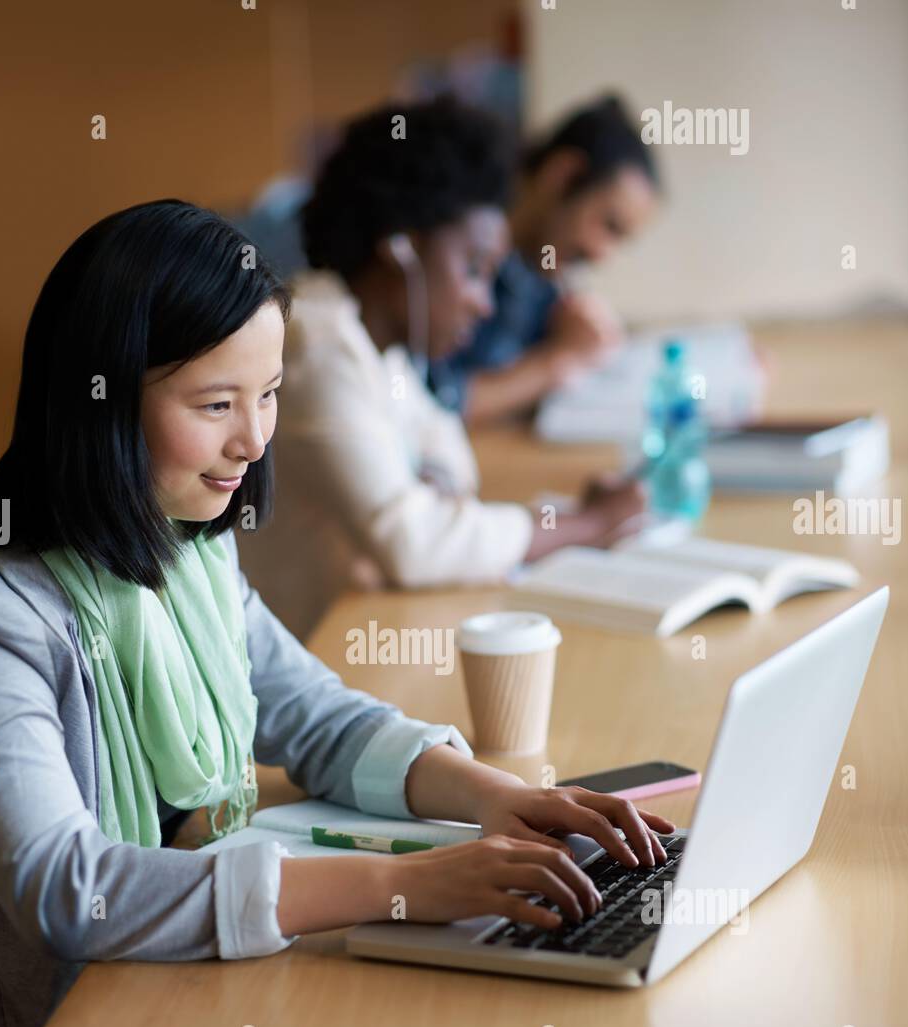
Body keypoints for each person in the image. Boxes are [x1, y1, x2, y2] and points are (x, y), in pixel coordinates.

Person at [0, 199, 673, 1027]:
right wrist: (399, 888)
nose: (255, 440)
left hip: (200, 1016)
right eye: (215, 404)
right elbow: (68, 888)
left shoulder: (185, 552)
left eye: (268, 394)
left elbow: (310, 715)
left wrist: (501, 798)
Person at [235, 97, 645, 643]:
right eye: (473, 269)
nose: (484, 302)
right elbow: (414, 542)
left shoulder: (387, 348)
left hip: (364, 630)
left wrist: (439, 493)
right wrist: (585, 527)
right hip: (306, 663)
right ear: (400, 249)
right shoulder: (316, 345)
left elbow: (450, 458)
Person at [429, 93, 661, 424]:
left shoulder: (538, 273)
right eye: (608, 225)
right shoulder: (452, 249)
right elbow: (430, 402)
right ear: (563, 175)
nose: (601, 255)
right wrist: (557, 360)